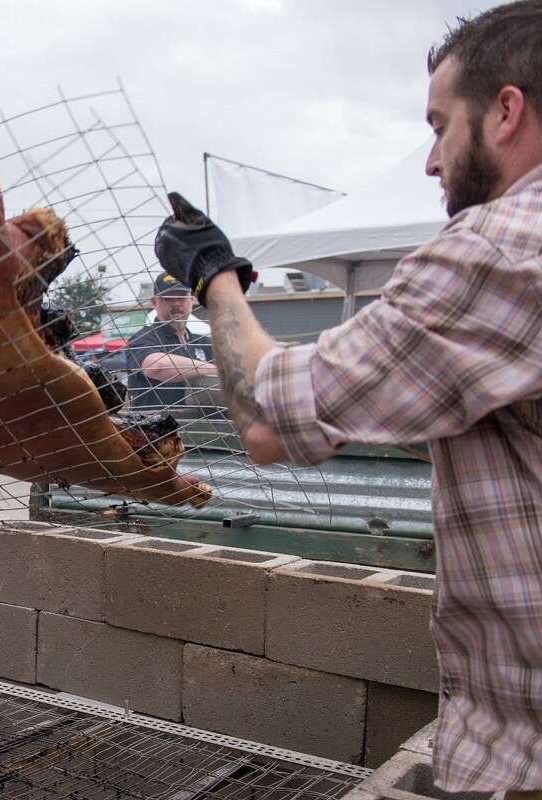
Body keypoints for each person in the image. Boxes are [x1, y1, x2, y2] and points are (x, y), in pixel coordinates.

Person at [155, 3, 542, 792]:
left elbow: (267, 420)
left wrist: (215, 280)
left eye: (439, 125)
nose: (431, 161)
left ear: (505, 111)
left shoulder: (503, 247)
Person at [124, 272, 217, 411]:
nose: (176, 303)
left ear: (191, 300)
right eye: (168, 298)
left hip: (202, 428)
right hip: (153, 429)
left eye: (182, 297)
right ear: (155, 302)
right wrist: (215, 369)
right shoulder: (143, 338)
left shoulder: (204, 343)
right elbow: (156, 366)